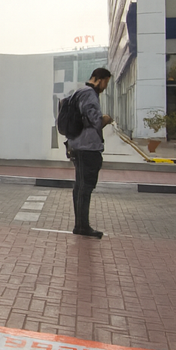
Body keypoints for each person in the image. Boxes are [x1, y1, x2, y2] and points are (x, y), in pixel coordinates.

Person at [65, 67, 114, 239]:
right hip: (86, 147)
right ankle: (82, 226)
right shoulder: (89, 94)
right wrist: (106, 119)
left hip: (78, 145)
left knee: (81, 186)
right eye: (106, 82)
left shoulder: (79, 92)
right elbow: (95, 121)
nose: (105, 87)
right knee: (84, 187)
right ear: (100, 79)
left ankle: (81, 225)